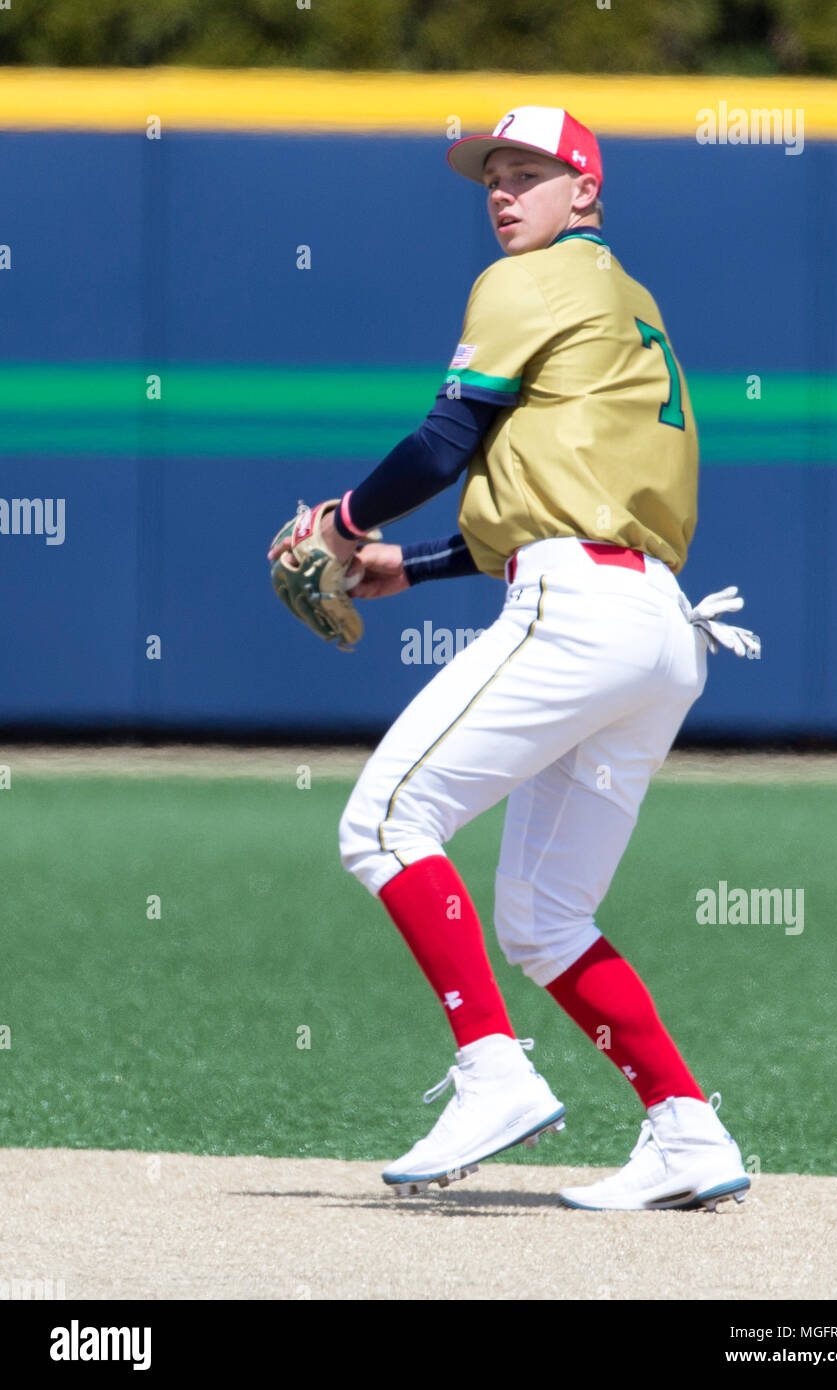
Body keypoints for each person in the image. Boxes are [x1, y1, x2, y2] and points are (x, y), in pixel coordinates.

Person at [269, 106, 759, 1210]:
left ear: (585, 189)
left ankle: (493, 1069)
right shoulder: (629, 302)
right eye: (491, 174)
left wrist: (343, 520)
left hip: (575, 609)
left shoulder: (524, 281)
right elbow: (562, 484)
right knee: (544, 917)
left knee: (385, 821)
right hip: (657, 629)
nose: (502, 191)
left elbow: (447, 440)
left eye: (530, 171)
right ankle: (686, 1131)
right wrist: (420, 563)